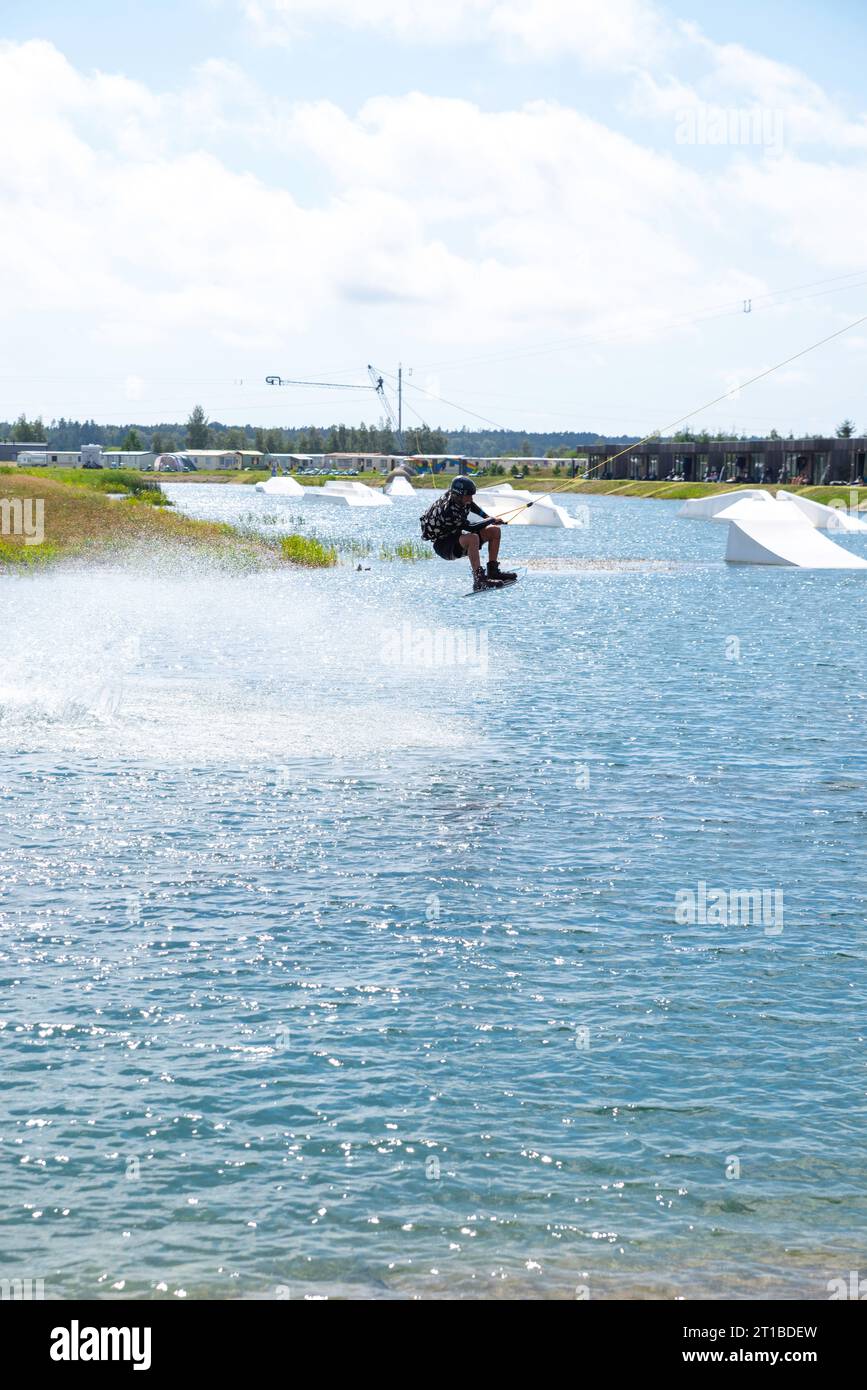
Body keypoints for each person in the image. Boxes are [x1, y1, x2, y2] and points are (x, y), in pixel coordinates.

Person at [420, 476, 519, 591]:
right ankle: (479, 581)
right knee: (473, 538)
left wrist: (486, 517)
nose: (471, 499)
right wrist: (491, 520)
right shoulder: (448, 511)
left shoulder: (458, 497)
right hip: (444, 546)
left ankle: (493, 571)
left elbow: (471, 505)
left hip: (456, 538)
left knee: (494, 530)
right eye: (468, 496)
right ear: (458, 495)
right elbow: (471, 528)